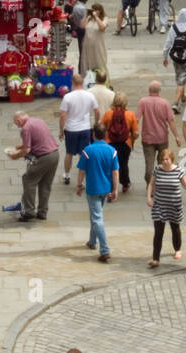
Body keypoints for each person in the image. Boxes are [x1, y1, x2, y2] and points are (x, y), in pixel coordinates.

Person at [76, 124, 119, 262]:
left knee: (97, 218)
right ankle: (92, 241)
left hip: (93, 188)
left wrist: (79, 185)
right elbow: (115, 172)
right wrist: (115, 189)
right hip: (105, 188)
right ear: (105, 135)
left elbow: (81, 171)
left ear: (93, 134)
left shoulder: (88, 150)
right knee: (96, 214)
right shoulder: (112, 151)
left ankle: (105, 249)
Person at [7, 109, 59, 222]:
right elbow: (39, 139)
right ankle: (42, 212)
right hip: (55, 154)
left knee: (28, 180)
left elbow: (27, 150)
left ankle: (29, 211)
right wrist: (20, 147)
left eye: (17, 123)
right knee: (45, 184)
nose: (18, 126)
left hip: (43, 157)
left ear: (19, 120)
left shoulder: (26, 128)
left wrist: (14, 156)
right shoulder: (38, 121)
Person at [146, 147, 186, 268]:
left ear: (172, 160)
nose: (164, 161)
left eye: (167, 159)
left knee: (175, 228)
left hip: (174, 205)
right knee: (158, 232)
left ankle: (177, 248)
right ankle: (155, 258)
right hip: (160, 205)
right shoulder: (157, 170)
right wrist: (149, 198)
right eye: (162, 159)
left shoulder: (179, 171)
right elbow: (151, 184)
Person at [59, 81, 100, 186]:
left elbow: (63, 115)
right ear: (82, 83)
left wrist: (61, 130)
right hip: (85, 128)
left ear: (72, 83)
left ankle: (67, 175)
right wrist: (96, 124)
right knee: (84, 154)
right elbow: (97, 111)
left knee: (69, 153)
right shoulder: (89, 95)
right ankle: (84, 177)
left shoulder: (67, 97)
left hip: (71, 129)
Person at [100, 92, 138, 194]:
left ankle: (110, 185)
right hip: (125, 144)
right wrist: (132, 139)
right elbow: (135, 132)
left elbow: (101, 127)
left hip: (110, 144)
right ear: (125, 102)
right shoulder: (130, 114)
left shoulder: (108, 113)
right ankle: (125, 183)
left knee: (110, 165)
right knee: (123, 164)